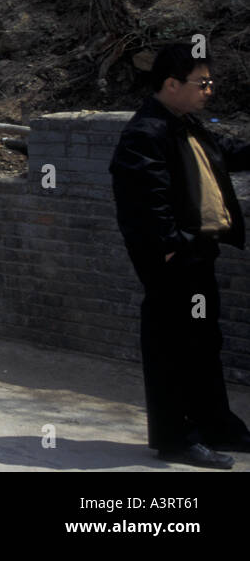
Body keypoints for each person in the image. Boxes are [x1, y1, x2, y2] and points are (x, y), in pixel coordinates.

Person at [109, 42, 250, 469]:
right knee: (172, 348)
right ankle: (175, 439)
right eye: (201, 83)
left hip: (197, 254)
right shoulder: (144, 134)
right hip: (174, 260)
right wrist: (171, 249)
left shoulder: (186, 124)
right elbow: (144, 205)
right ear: (171, 84)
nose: (209, 91)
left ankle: (216, 423)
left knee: (204, 343)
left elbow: (229, 153)